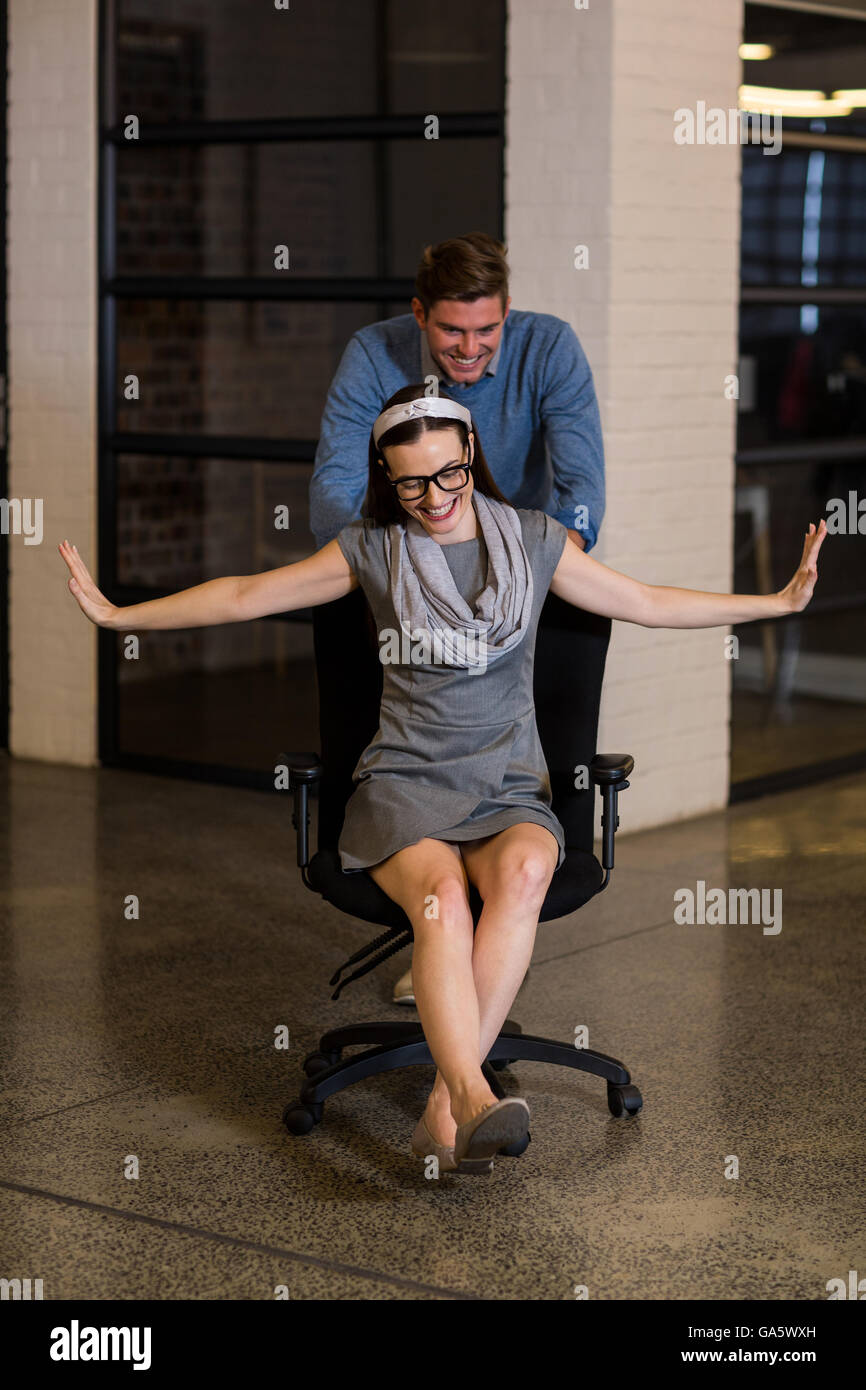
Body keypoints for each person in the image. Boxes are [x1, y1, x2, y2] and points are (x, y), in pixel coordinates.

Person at [60, 387, 826, 1176]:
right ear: (387, 480)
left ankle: (441, 1114)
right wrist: (123, 618)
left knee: (528, 869)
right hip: (407, 782)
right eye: (412, 484)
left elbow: (646, 602)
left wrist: (776, 601)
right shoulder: (370, 549)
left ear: (471, 456)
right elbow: (248, 595)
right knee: (442, 902)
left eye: (450, 474)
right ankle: (470, 1093)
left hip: (506, 784)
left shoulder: (534, 540)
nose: (435, 499)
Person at [310, 231, 606, 1005]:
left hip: (510, 585)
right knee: (422, 758)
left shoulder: (550, 348)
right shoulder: (374, 355)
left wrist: (518, 567)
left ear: (508, 314)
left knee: (504, 767)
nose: (469, 348)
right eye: (450, 331)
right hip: (406, 585)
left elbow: (580, 493)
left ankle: (465, 946)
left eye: (487, 330)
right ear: (419, 317)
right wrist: (415, 566)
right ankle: (446, 933)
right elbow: (332, 497)